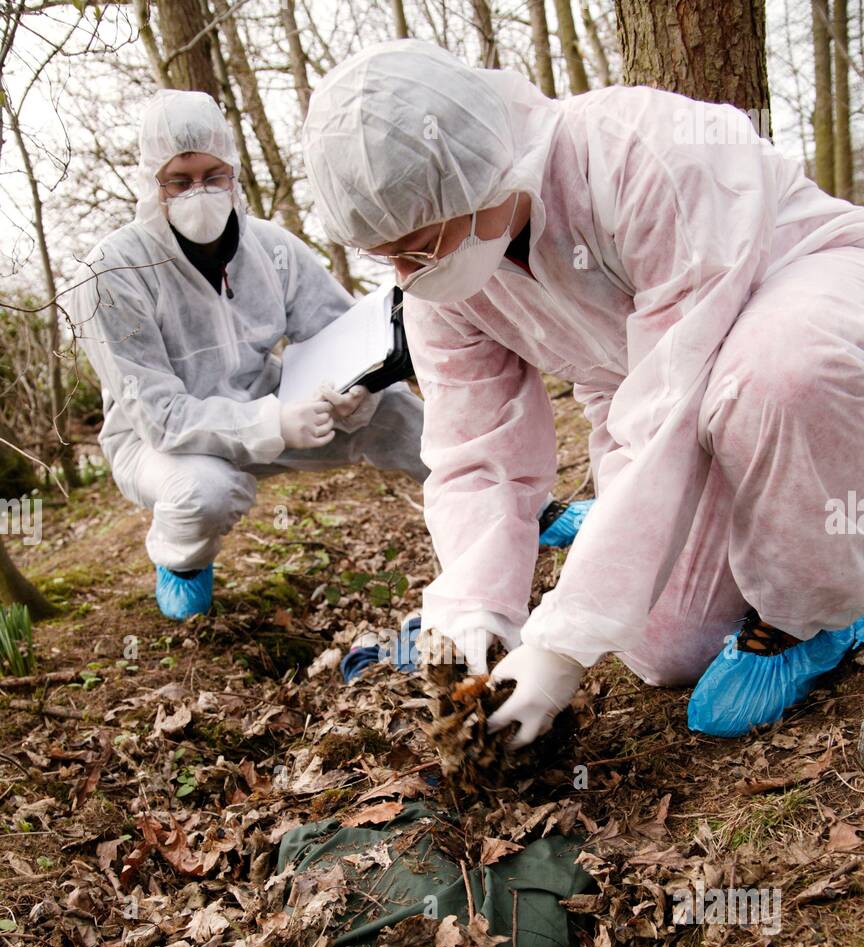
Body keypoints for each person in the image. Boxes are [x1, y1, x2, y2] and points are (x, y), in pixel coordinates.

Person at [302, 40, 864, 740]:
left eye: (418, 244)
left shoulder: (636, 155)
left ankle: (815, 613)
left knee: (781, 376)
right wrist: (476, 609)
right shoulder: (436, 288)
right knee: (664, 646)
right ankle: (794, 536)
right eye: (386, 255)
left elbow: (673, 401)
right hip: (657, 386)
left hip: (797, 295)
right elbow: (477, 450)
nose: (406, 271)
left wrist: (564, 642)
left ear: (477, 176)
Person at [70, 89, 425, 620]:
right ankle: (183, 562)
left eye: (214, 175)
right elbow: (158, 414)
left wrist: (359, 386)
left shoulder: (271, 248)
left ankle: (519, 507)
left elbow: (337, 328)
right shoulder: (112, 274)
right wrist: (274, 423)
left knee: (398, 410)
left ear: (234, 172)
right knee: (204, 493)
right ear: (153, 183)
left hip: (271, 403)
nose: (201, 192)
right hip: (158, 443)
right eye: (180, 180)